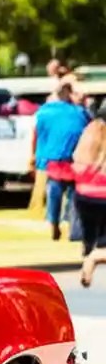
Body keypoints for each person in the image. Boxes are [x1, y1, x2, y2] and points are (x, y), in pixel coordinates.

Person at [35, 80, 91, 241]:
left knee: (55, 193)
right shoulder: (80, 113)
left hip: (53, 159)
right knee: (74, 195)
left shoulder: (43, 112)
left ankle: (53, 222)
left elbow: (39, 136)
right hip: (75, 160)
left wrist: (38, 159)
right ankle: (74, 229)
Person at [74, 106, 106, 287]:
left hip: (84, 195)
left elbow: (75, 160)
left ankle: (88, 254)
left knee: (91, 234)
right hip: (104, 196)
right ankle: (93, 257)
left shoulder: (89, 133)